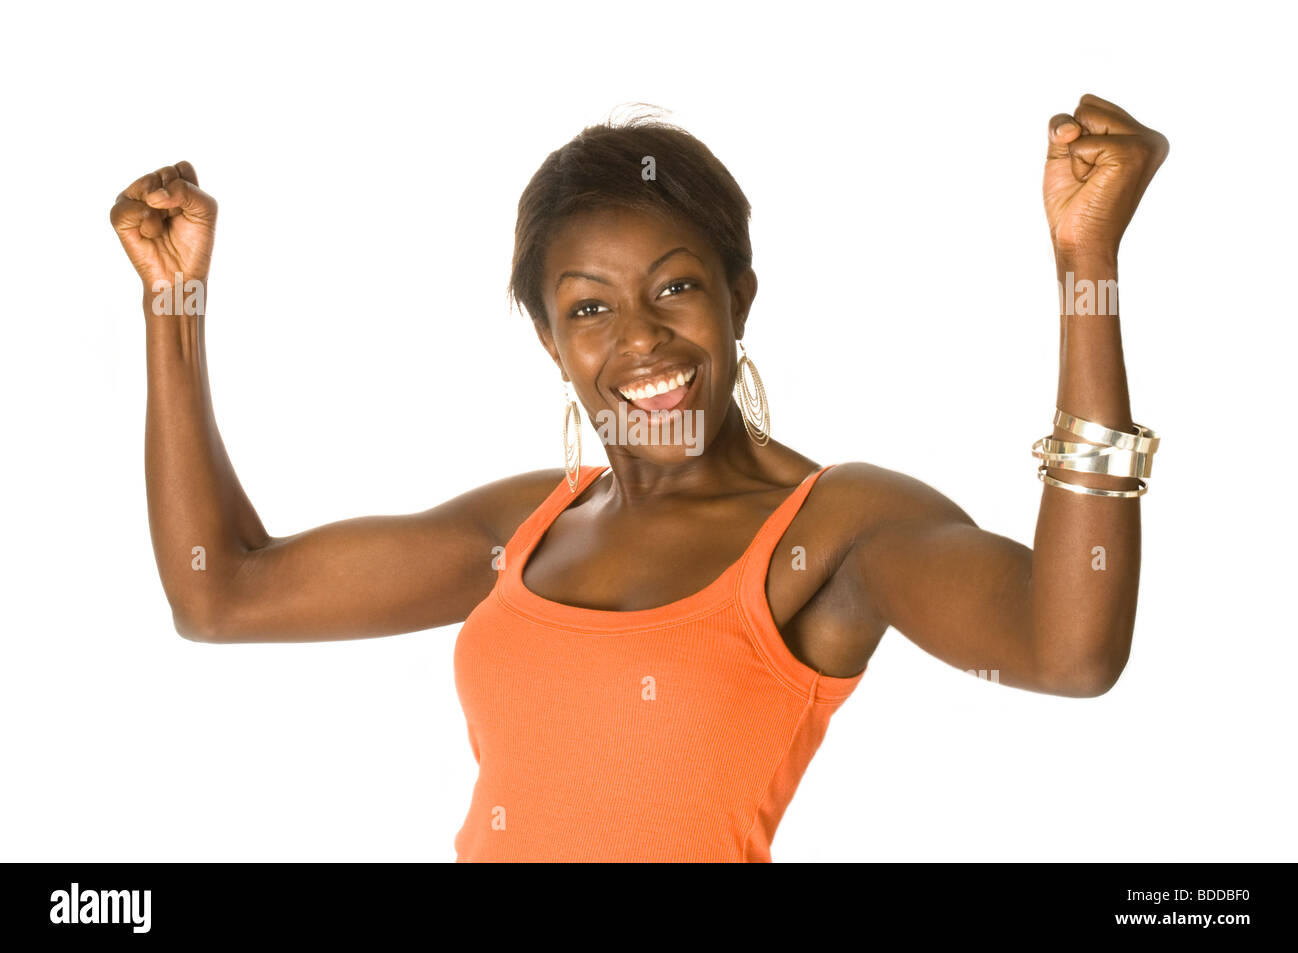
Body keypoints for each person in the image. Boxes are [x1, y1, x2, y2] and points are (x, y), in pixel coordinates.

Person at [108, 94, 1168, 862]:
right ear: (546, 337)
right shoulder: (528, 523)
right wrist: (173, 307)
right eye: (588, 308)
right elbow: (221, 592)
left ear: (738, 293)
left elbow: (1066, 651)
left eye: (674, 287)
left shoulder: (836, 528)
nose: (641, 341)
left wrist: (1087, 271)